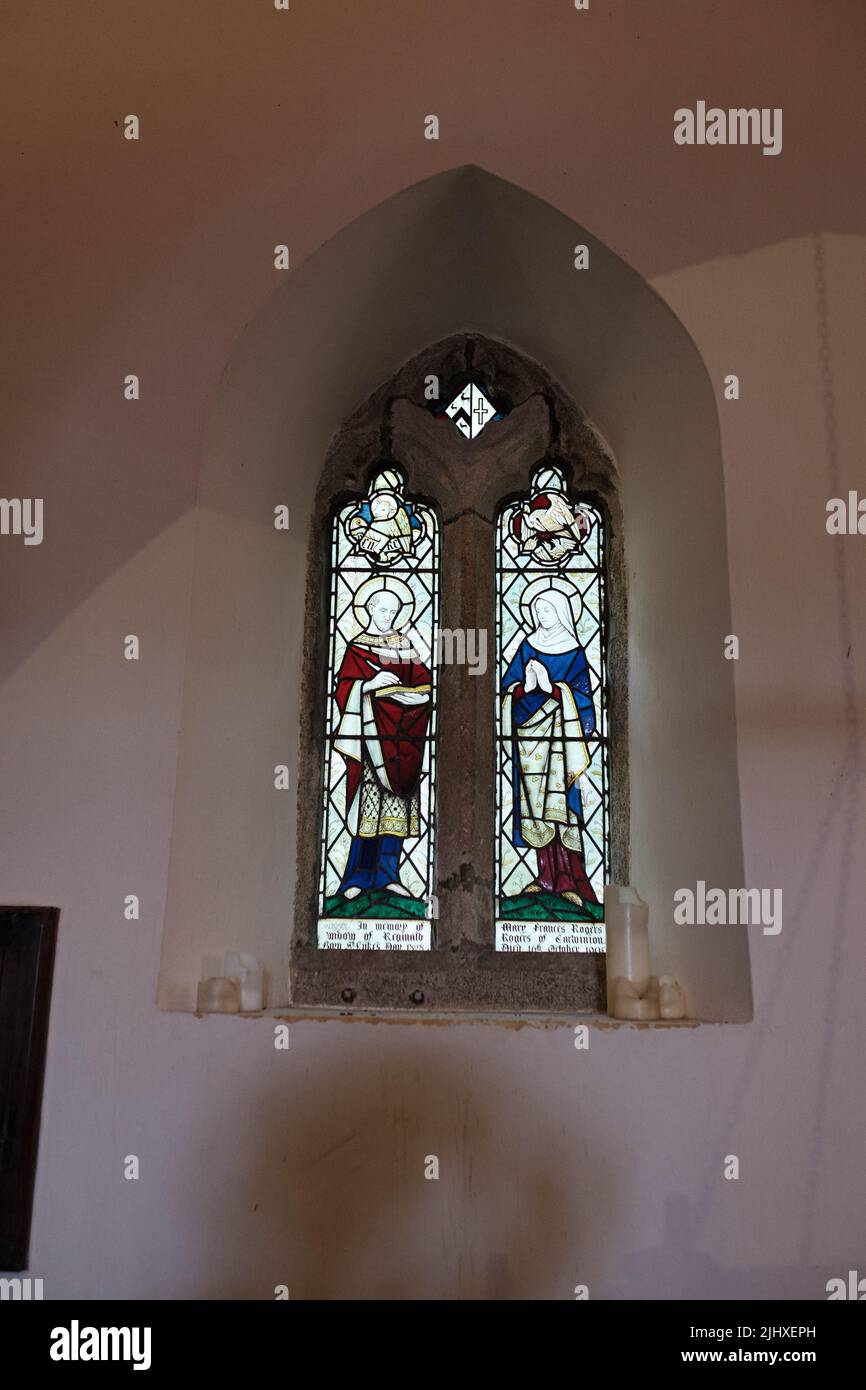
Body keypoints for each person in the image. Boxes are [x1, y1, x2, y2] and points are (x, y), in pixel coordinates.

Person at [501, 589, 598, 906]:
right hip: (530, 741)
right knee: (536, 810)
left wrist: (553, 689)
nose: (541, 616)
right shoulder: (527, 646)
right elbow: (507, 688)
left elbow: (583, 701)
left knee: (563, 811)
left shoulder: (574, 652)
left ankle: (569, 878)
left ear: (561, 613)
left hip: (561, 739)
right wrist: (524, 688)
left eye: (548, 611)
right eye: (537, 610)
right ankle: (546, 877)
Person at [333, 588, 431, 900]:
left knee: (397, 812)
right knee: (367, 811)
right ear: (370, 609)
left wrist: (416, 695)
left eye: (394, 612)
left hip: (404, 741)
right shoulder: (357, 648)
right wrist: (369, 685)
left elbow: (425, 681)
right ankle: (357, 878)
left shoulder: (404, 646)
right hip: (372, 740)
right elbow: (344, 689)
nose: (388, 617)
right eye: (383, 610)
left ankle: (389, 875)